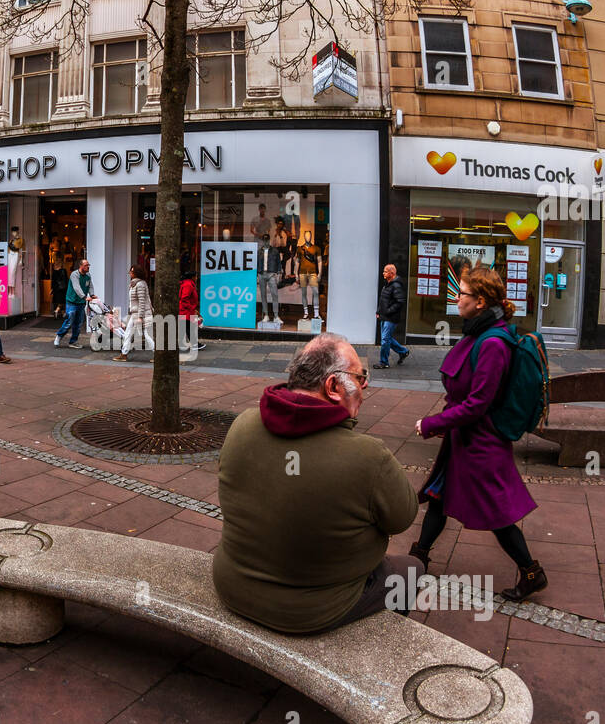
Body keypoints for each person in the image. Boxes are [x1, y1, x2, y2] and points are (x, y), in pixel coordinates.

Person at [213, 333, 421, 633]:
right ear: (334, 387)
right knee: (412, 570)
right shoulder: (368, 456)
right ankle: (380, 648)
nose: (364, 388)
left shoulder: (243, 423)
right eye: (360, 378)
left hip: (232, 585)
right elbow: (403, 517)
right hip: (308, 612)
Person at [410, 264, 546, 601]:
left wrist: (432, 424)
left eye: (463, 293)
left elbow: (478, 404)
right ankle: (418, 559)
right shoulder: (480, 333)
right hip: (465, 438)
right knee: (439, 498)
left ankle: (531, 571)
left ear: (481, 301)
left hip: (481, 442)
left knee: (497, 512)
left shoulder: (493, 344)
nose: (457, 298)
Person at [114, 265, 156, 362]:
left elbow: (142, 301)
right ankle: (124, 354)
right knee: (128, 333)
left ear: (137, 273)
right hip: (135, 314)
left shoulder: (140, 284)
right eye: (130, 271)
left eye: (132, 271)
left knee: (147, 334)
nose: (130, 273)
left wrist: (140, 316)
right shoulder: (134, 284)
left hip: (143, 313)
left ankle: (158, 355)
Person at [54, 259, 95, 349]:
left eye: (88, 265)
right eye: (86, 265)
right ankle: (59, 336)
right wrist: (84, 297)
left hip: (81, 303)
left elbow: (90, 285)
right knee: (69, 321)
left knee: (78, 323)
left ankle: (73, 341)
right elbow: (77, 288)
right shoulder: (74, 275)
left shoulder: (88, 275)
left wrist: (92, 294)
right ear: (81, 266)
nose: (88, 267)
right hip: (72, 302)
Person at [376, 263, 411, 369]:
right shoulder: (388, 283)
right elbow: (383, 299)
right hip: (384, 315)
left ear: (392, 273)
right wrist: (378, 311)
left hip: (391, 317)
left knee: (385, 340)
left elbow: (400, 302)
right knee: (387, 339)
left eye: (385, 271)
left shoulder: (396, 285)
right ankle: (403, 351)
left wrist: (387, 311)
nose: (383, 273)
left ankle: (384, 362)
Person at [255, 232, 282, 324]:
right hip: (261, 274)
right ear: (263, 240)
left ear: (269, 240)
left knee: (275, 295)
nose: (266, 242)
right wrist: (257, 275)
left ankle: (276, 315)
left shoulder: (274, 251)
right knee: (263, 295)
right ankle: (266, 315)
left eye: (267, 240)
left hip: (271, 274)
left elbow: (278, 263)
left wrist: (278, 274)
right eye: (264, 240)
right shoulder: (259, 251)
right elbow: (256, 263)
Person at [179, 269, 204, 352]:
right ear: (192, 277)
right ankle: (195, 344)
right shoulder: (188, 285)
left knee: (188, 327)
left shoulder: (188, 284)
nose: (196, 278)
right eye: (196, 276)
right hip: (186, 310)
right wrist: (192, 309)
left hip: (187, 310)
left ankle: (194, 344)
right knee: (189, 327)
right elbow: (184, 299)